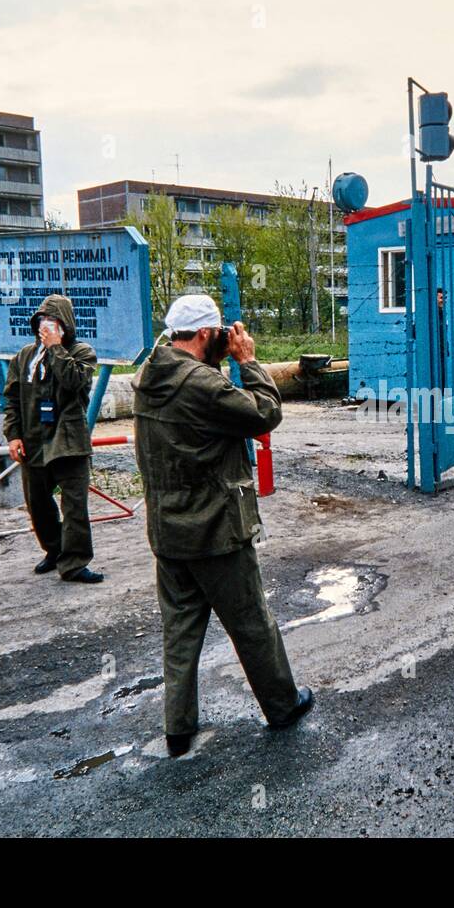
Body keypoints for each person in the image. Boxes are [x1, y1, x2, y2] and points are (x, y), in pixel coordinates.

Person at [132, 294, 313, 757]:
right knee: (251, 622)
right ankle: (282, 706)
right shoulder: (200, 383)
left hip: (168, 532)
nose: (226, 340)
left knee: (180, 632)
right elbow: (263, 414)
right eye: (220, 334)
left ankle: (178, 728)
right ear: (206, 334)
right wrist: (249, 361)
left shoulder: (149, 376)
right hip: (214, 531)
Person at [2, 293, 103, 583]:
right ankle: (54, 550)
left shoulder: (82, 352)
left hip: (68, 441)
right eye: (42, 321)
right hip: (33, 441)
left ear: (66, 325)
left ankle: (74, 563)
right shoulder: (24, 357)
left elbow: (75, 382)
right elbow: (10, 399)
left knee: (74, 506)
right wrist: (13, 435)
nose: (45, 327)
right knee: (38, 504)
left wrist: (56, 349)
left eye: (53, 321)